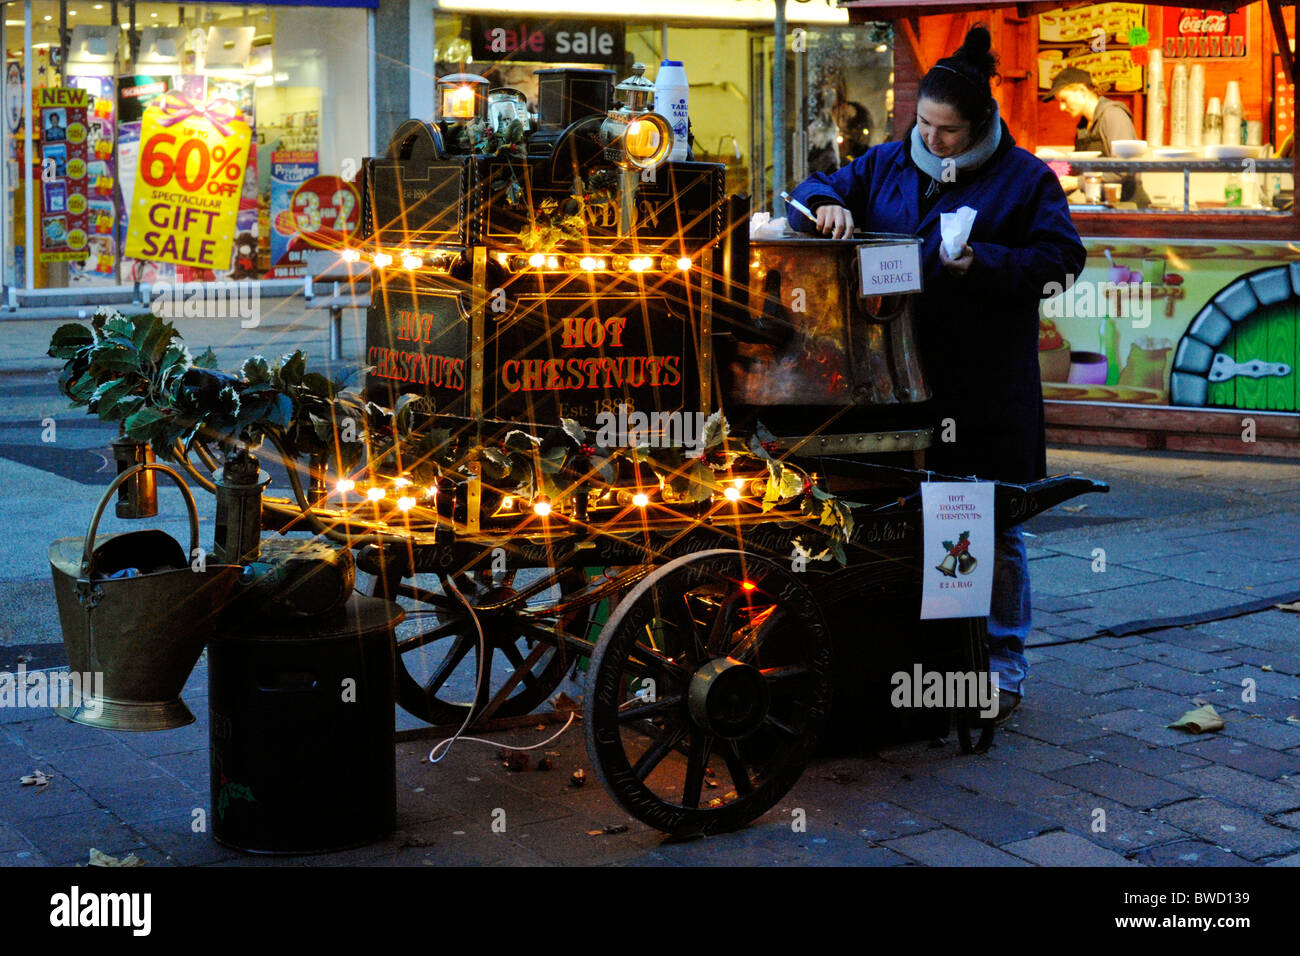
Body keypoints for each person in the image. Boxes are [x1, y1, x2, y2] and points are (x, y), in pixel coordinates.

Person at [787, 23, 1086, 722]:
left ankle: (1001, 663)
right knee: (923, 519)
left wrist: (985, 263)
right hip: (895, 384)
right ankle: (933, 662)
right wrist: (827, 204)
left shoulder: (1026, 179)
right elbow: (808, 192)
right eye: (923, 123)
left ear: (979, 123)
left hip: (982, 383)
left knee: (989, 521)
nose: (932, 139)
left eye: (946, 130)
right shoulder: (890, 161)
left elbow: (1060, 261)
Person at [1046, 67, 1143, 202]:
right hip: (1101, 203)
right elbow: (1077, 169)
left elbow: (1123, 169)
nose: (1061, 108)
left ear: (1082, 91)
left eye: (1064, 100)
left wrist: (1078, 182)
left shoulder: (1113, 115)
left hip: (1129, 206)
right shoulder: (1083, 126)